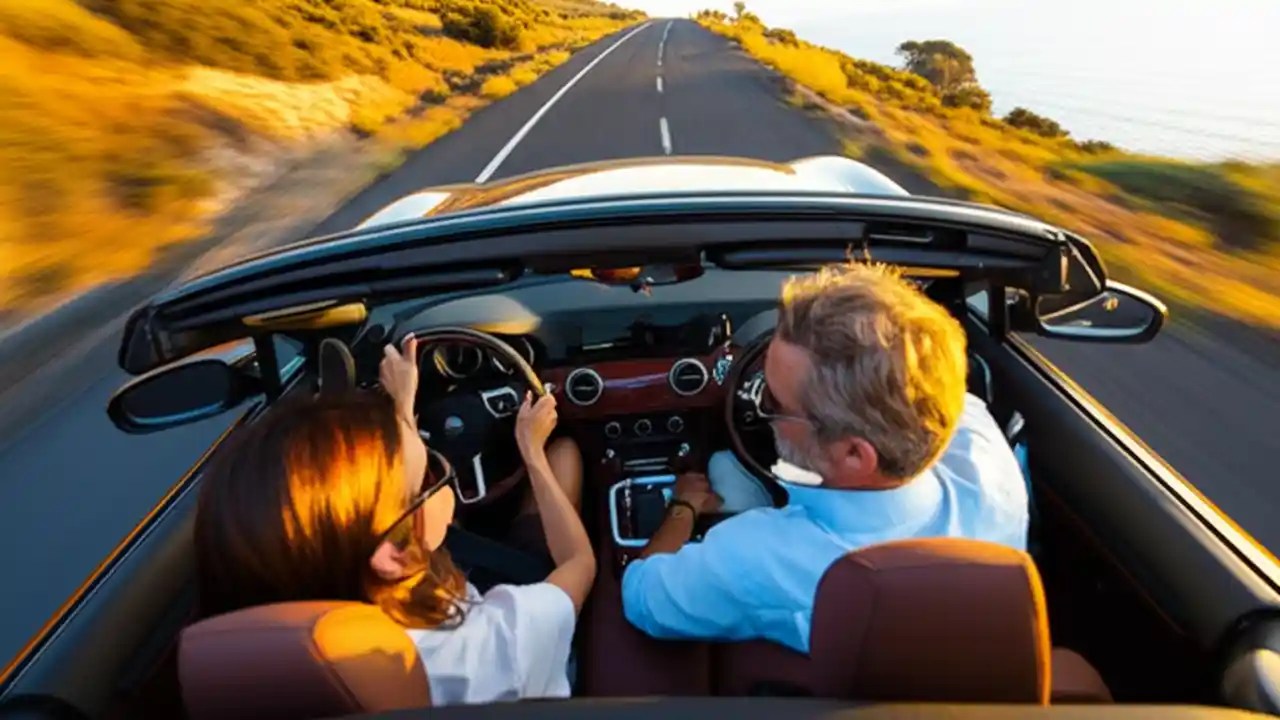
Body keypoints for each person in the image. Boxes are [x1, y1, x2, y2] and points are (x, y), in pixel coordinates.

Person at [621, 262, 1028, 654]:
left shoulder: (759, 556)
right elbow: (960, 401)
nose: (758, 402)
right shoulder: (990, 468)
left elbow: (641, 597)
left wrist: (683, 506)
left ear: (854, 454)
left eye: (773, 403)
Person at [194, 335, 595, 705]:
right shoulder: (495, 644)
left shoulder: (283, 655)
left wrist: (402, 405)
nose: (439, 479)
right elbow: (579, 563)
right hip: (535, 656)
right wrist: (531, 449)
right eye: (430, 476)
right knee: (565, 455)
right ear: (395, 553)